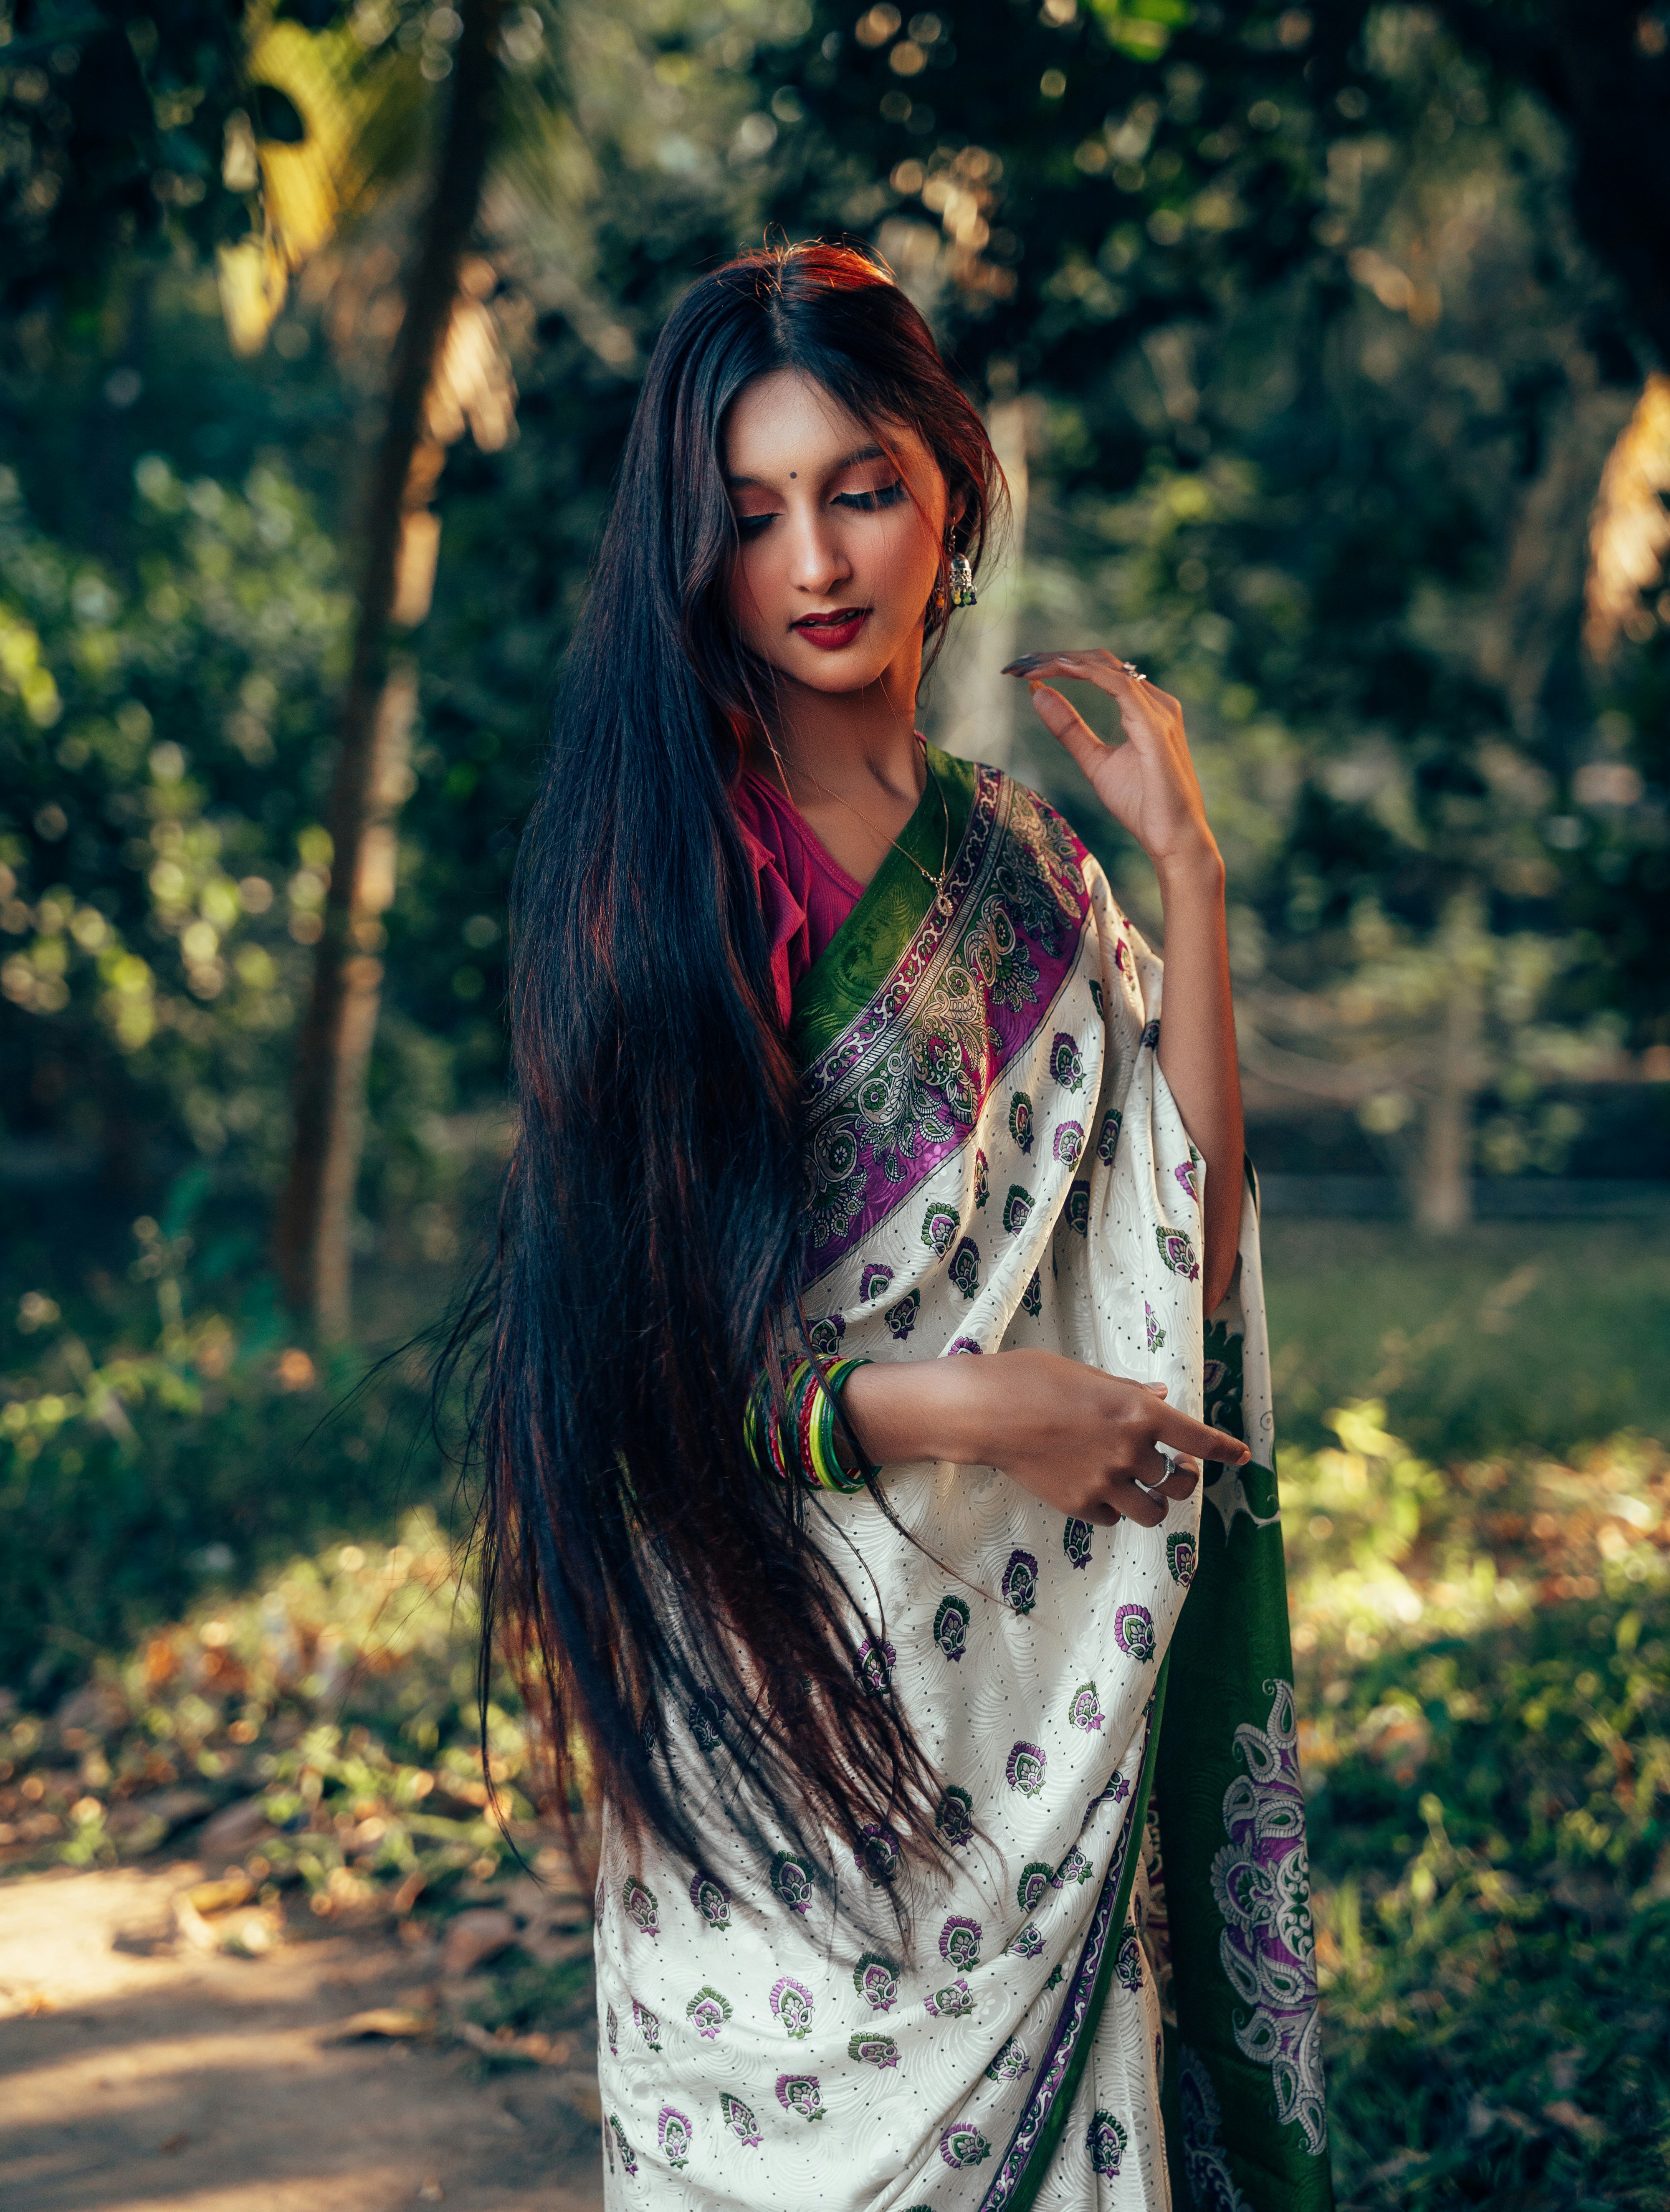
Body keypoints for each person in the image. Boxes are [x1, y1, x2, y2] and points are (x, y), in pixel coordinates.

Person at [456, 243, 1331, 2208]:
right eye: (753, 513)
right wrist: (971, 1409)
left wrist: (1186, 870)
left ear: (950, 485)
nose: (815, 563)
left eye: (858, 490)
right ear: (693, 550)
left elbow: (1183, 1256)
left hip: (1039, 1705)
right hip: (788, 1711)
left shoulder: (1025, 867)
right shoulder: (668, 885)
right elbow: (634, 1383)